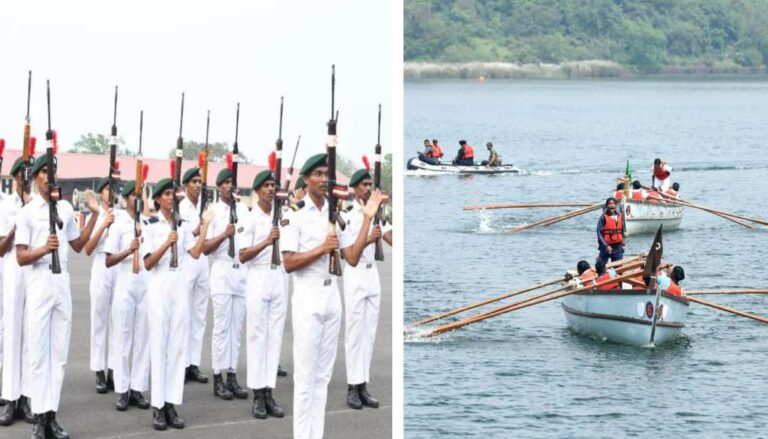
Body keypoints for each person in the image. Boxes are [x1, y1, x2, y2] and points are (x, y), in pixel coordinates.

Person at [15, 152, 101, 439]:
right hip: (39, 280)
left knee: (59, 355)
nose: (48, 177)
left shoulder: (63, 208)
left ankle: (52, 414)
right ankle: (39, 418)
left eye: (52, 172)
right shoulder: (27, 212)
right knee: (39, 353)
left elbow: (77, 244)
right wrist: (44, 249)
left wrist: (95, 215)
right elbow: (20, 256)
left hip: (61, 279)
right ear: (36, 176)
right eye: (44, 172)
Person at [281, 153, 343, 439]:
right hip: (307, 294)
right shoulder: (294, 213)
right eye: (317, 174)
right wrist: (321, 248)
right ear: (306, 179)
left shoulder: (334, 211)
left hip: (332, 295)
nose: (323, 180)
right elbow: (289, 262)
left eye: (326, 175)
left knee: (323, 378)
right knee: (305, 379)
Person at [143, 178, 210, 430]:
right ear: (158, 199)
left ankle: (171, 403)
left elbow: (195, 253)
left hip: (178, 285)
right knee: (160, 347)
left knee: (177, 348)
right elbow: (148, 263)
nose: (172, 198)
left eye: (174, 194)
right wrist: (166, 243)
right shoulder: (150, 224)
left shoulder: (181, 225)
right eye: (167, 194)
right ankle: (158, 406)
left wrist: (205, 227)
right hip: (160, 286)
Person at [339, 168, 389, 410]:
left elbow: (392, 237)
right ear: (355, 188)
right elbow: (349, 254)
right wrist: (370, 236)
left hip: (372, 274)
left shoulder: (377, 212)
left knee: (369, 332)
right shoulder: (347, 215)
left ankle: (363, 385)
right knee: (355, 331)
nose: (369, 189)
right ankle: (352, 386)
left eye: (371, 184)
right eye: (365, 185)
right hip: (356, 273)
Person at [238, 170, 286, 419]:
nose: (270, 189)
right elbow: (243, 254)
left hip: (279, 276)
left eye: (272, 185)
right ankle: (257, 393)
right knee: (257, 336)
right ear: (257, 191)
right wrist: (267, 241)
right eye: (265, 185)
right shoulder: (250, 218)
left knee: (275, 337)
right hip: (257, 276)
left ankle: (269, 391)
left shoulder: (282, 215)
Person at [203, 168, 250, 400]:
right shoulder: (212, 211)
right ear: (219, 186)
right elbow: (205, 248)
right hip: (221, 270)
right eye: (227, 182)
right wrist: (223, 234)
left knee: (236, 328)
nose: (231, 186)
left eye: (233, 182)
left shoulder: (243, 209)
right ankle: (218, 377)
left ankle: (232, 374)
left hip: (241, 272)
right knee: (221, 328)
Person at [104, 182, 150, 411]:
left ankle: (138, 387)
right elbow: (108, 260)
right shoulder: (119, 223)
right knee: (123, 337)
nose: (137, 199)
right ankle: (122, 389)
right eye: (133, 195)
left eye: (139, 195)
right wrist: (128, 251)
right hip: (125, 280)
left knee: (143, 338)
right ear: (125, 199)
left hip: (145, 282)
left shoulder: (149, 222)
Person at [0, 158, 33, 425]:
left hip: (33, 273)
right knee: (12, 335)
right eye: (21, 177)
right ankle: (11, 399)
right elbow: (0, 248)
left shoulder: (38, 206)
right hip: (12, 271)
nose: (25, 181)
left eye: (28, 176)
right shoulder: (5, 206)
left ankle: (28, 398)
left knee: (31, 338)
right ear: (14, 180)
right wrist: (16, 226)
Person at [83, 177, 117, 394]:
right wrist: (102, 223)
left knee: (118, 322)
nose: (112, 192)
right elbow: (87, 248)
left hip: (118, 267)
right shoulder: (93, 215)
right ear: (101, 192)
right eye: (108, 188)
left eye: (114, 188)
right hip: (100, 267)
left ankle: (115, 369)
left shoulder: (122, 215)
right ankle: (98, 370)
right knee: (99, 320)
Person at [179, 167, 211, 385]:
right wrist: (201, 226)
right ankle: (181, 364)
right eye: (194, 182)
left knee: (199, 315)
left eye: (200, 182)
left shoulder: (203, 206)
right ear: (185, 185)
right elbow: (185, 237)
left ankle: (193, 363)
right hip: (186, 261)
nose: (198, 185)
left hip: (202, 262)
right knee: (184, 315)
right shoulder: (180, 208)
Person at [597, 197, 625, 265]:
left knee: (618, 267)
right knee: (601, 266)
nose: (612, 205)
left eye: (613, 204)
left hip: (617, 246)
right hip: (605, 247)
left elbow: (621, 231)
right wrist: (606, 246)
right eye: (609, 204)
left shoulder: (620, 216)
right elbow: (599, 233)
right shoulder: (603, 217)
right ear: (606, 206)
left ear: (615, 205)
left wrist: (623, 244)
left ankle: (615, 275)